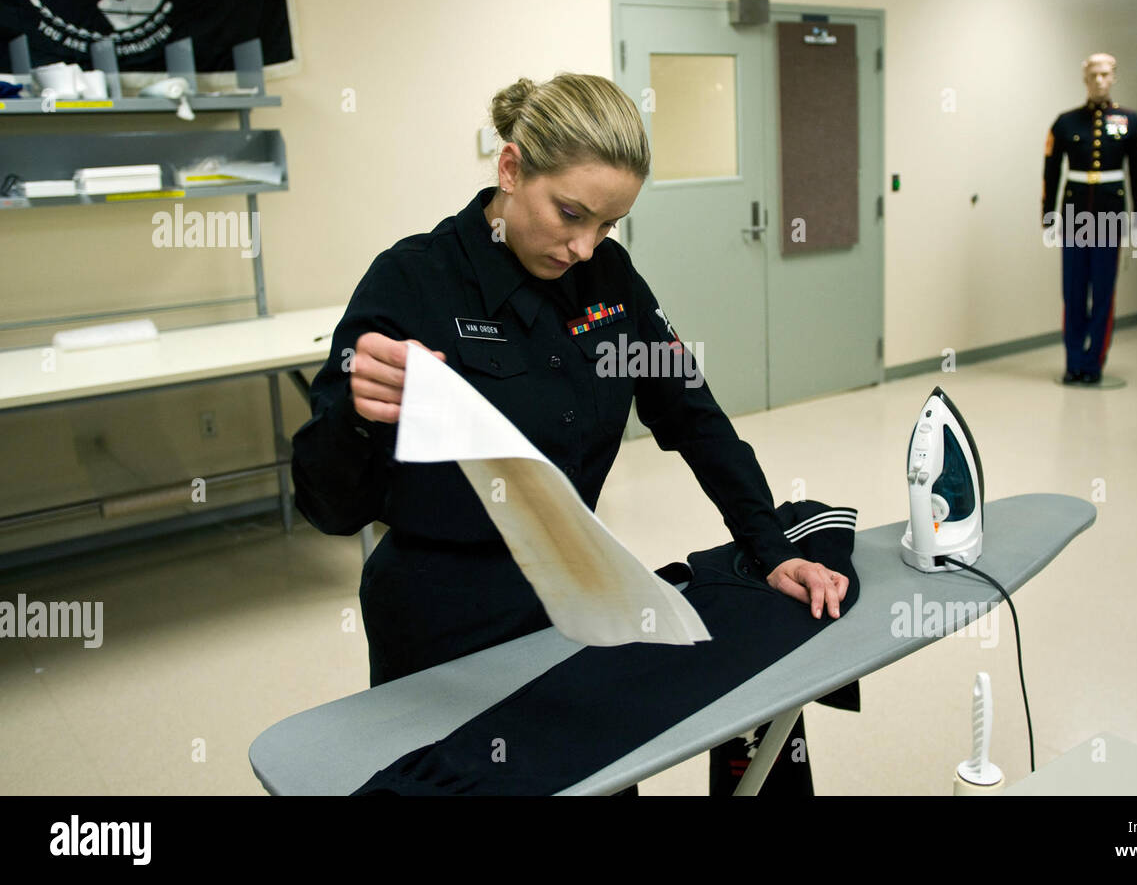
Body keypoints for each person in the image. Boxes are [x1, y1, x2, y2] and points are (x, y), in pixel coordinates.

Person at [291, 72, 848, 794]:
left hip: (579, 599)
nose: (585, 247)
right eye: (570, 214)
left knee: (602, 783)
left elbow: (694, 416)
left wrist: (769, 547)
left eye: (608, 225)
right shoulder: (413, 282)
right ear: (512, 167)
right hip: (443, 621)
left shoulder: (609, 281)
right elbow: (327, 505)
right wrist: (356, 417)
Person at [1042, 53, 1137, 384]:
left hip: (1109, 215)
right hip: (1074, 214)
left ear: (1114, 76)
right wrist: (1048, 215)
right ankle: (1073, 360)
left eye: (1105, 74)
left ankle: (1093, 363)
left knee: (1103, 291)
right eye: (1093, 75)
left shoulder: (1132, 122)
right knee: (1072, 291)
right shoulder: (1065, 123)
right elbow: (1050, 172)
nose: (1099, 81)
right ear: (1084, 79)